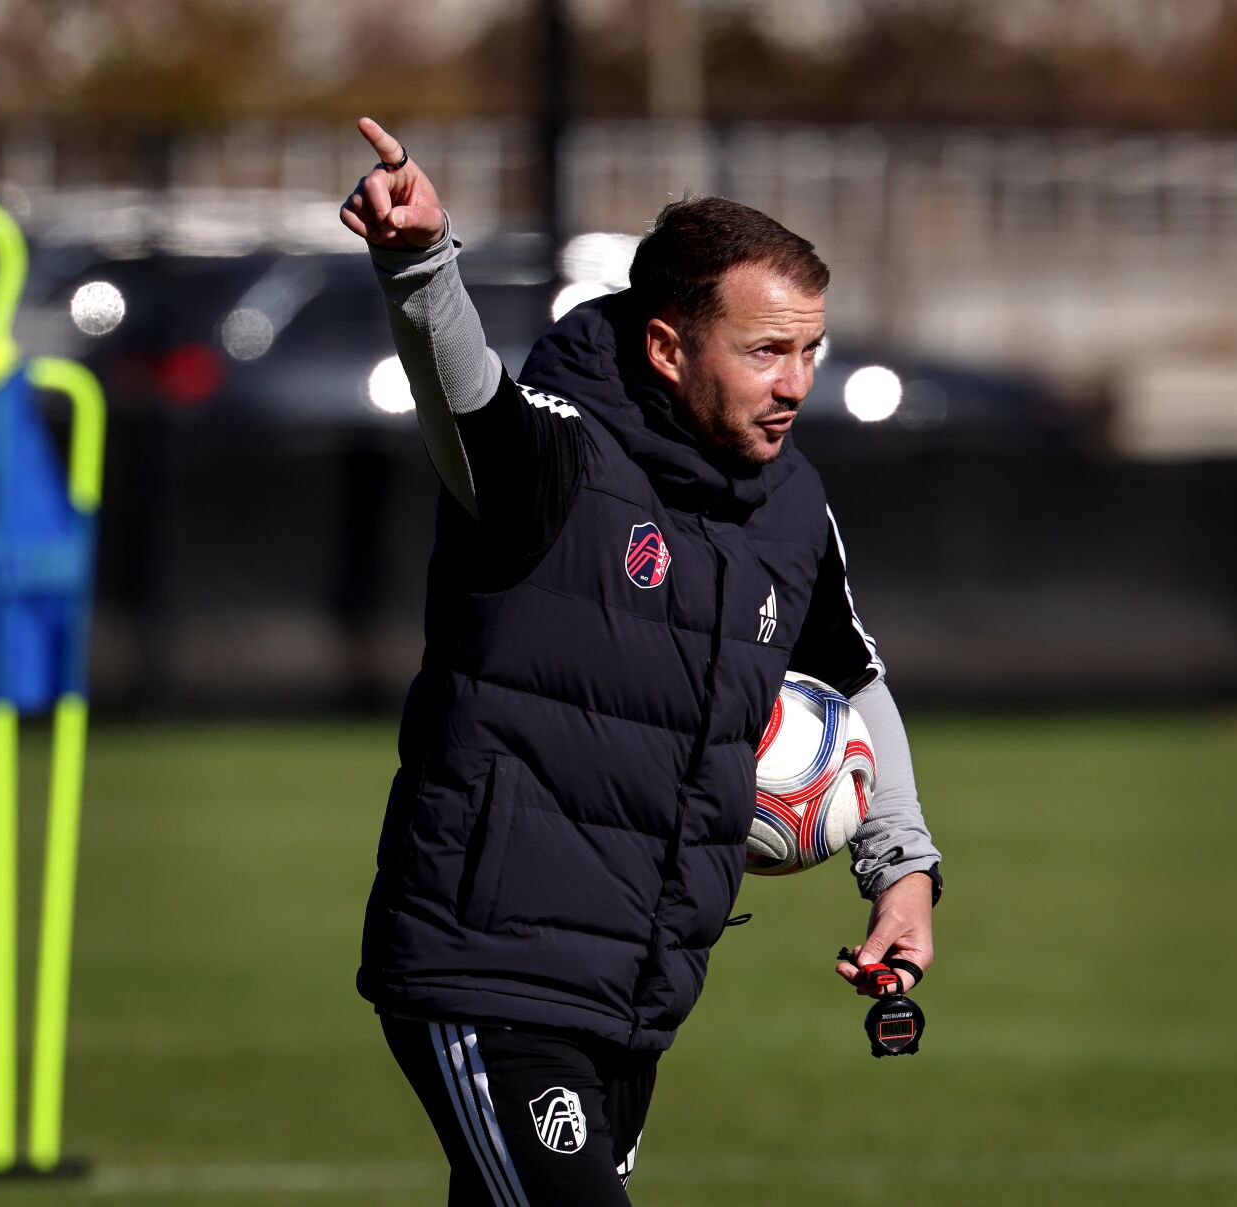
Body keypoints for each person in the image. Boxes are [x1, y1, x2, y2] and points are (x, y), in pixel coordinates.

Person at [340, 116, 942, 1207]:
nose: (797, 382)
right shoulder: (552, 455)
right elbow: (464, 396)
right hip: (492, 969)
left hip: (636, 986)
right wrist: (421, 266)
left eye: (811, 348)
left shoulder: (791, 503)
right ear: (667, 347)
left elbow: (850, 678)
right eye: (766, 350)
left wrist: (900, 870)